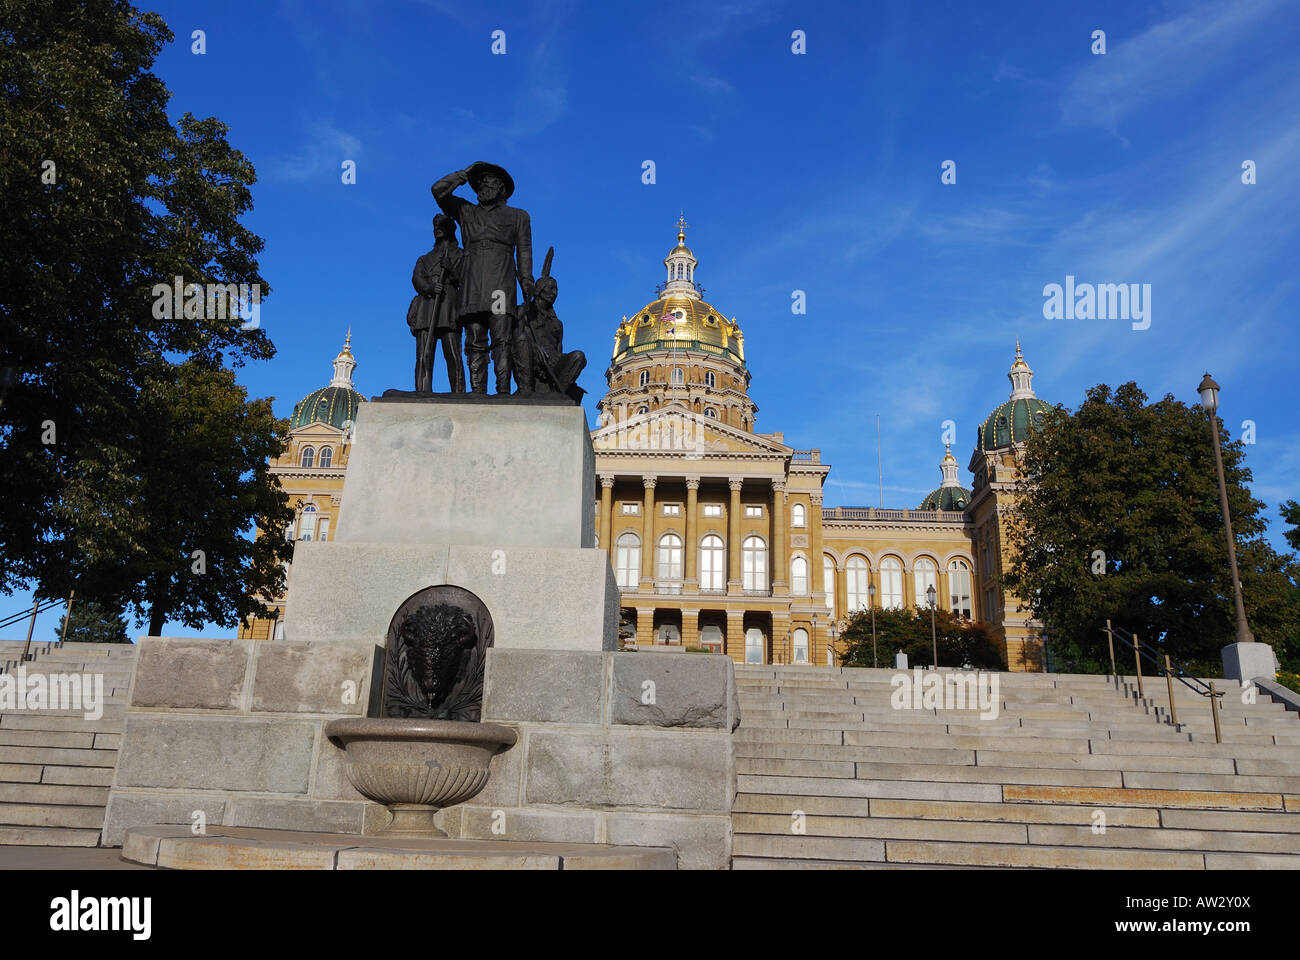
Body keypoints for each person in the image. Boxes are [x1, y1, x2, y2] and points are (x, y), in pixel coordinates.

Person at [431, 162, 533, 395]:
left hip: (500, 281)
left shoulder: (518, 216)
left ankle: (503, 391)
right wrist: (463, 174)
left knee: (501, 338)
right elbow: (438, 190)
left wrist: (527, 280)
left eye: (490, 182)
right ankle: (478, 392)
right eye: (479, 183)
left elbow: (524, 251)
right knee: (474, 339)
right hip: (472, 281)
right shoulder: (466, 211)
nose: (483, 186)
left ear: (502, 189)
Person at [406, 214, 465, 392]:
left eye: (441, 225)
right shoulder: (424, 258)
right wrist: (430, 287)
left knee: (453, 354)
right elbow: (417, 279)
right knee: (424, 355)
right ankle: (422, 392)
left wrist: (451, 269)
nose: (436, 228)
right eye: (435, 226)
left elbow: (466, 279)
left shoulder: (460, 254)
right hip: (427, 306)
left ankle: (458, 392)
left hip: (449, 306)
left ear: (450, 229)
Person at [515, 274, 586, 400]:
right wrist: (535, 347)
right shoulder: (525, 312)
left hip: (553, 361)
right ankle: (526, 390)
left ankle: (556, 393)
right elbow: (517, 334)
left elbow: (559, 349)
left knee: (579, 356)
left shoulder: (557, 324)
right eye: (551, 288)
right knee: (522, 341)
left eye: (556, 290)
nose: (554, 293)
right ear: (540, 290)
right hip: (531, 357)